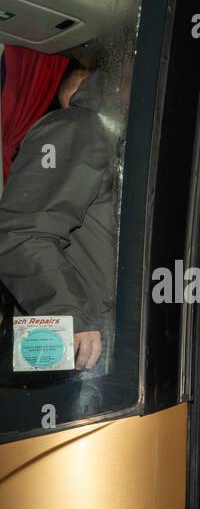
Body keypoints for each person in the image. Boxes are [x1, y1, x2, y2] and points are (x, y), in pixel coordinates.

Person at [0, 67, 115, 371]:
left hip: (104, 330)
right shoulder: (77, 127)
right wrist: (69, 317)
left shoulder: (123, 144)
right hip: (87, 336)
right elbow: (21, 233)